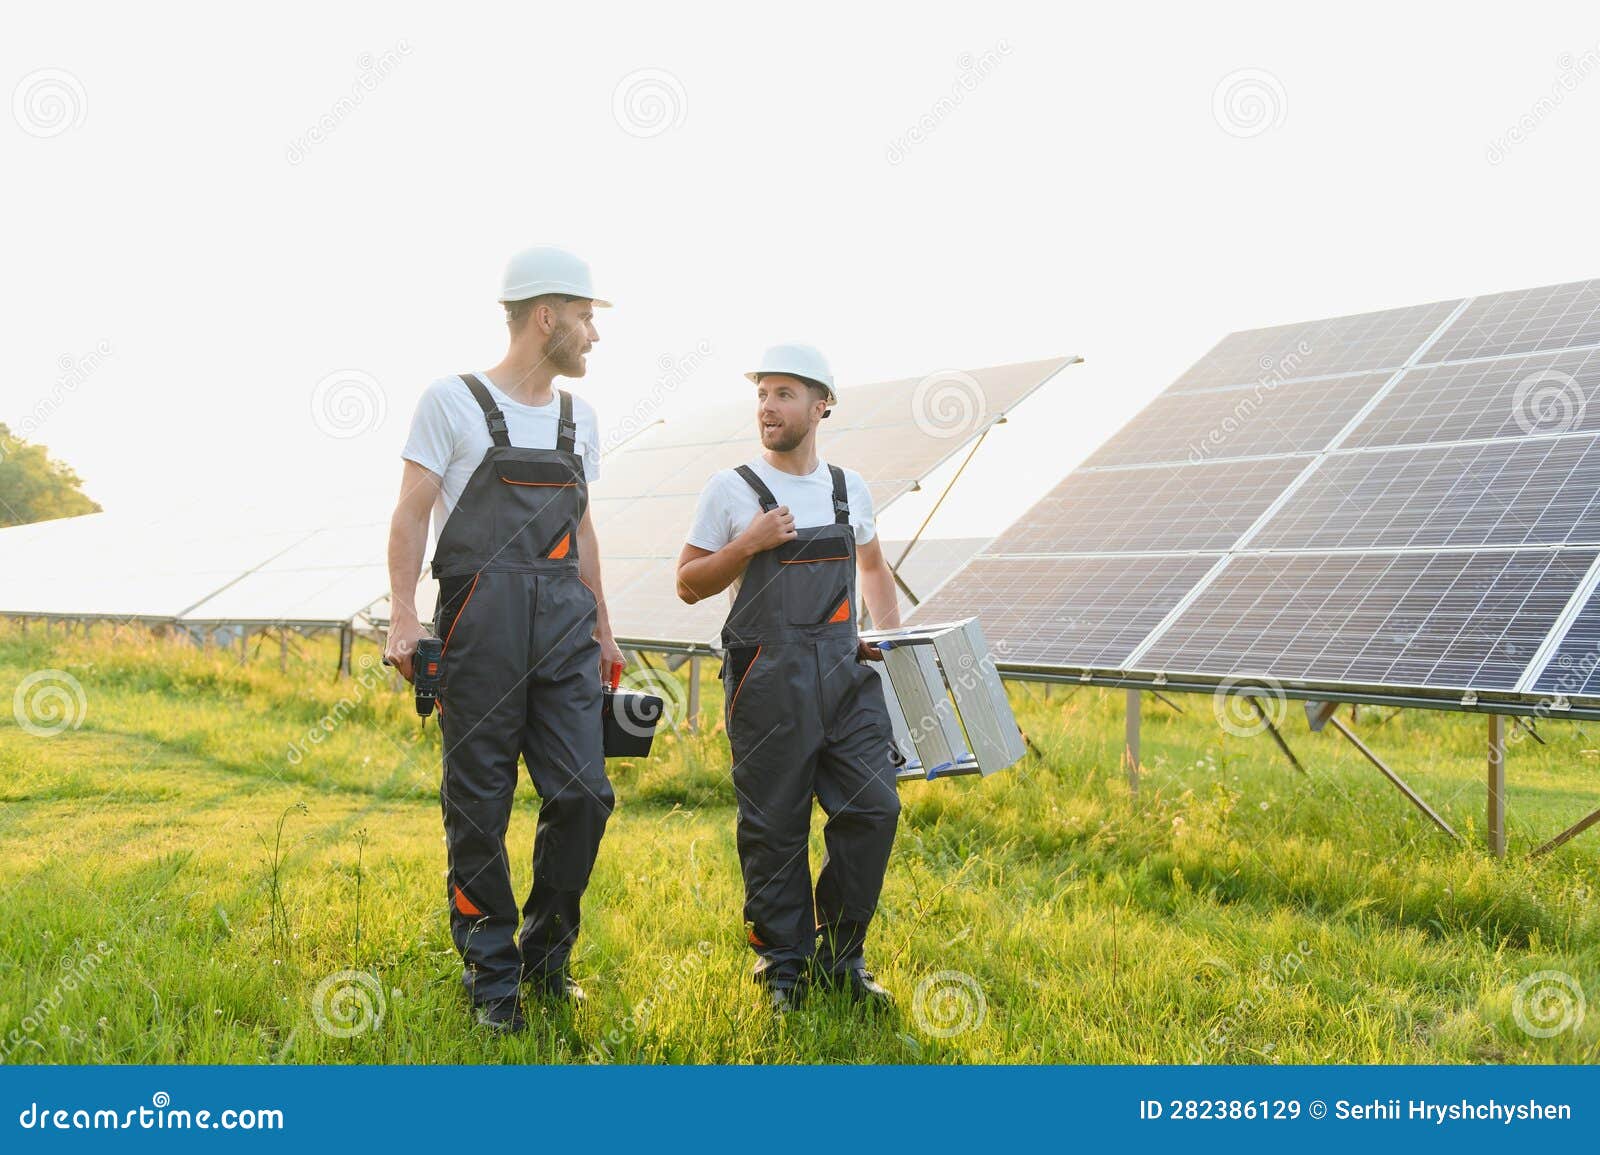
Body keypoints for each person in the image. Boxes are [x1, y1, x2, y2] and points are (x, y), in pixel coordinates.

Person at [386, 245, 625, 1034]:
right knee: (478, 811)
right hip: (478, 629)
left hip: (561, 630)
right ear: (546, 316)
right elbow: (412, 512)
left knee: (585, 794)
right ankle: (492, 977)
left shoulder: (578, 419)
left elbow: (582, 525)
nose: (594, 334)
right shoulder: (451, 402)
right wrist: (403, 615)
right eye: (586, 317)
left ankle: (546, 956)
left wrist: (604, 626)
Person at [675, 342, 903, 1012]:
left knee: (873, 807)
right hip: (766, 678)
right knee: (775, 826)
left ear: (821, 403)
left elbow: (874, 568)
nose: (767, 407)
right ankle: (783, 963)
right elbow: (687, 584)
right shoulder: (732, 488)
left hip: (844, 673)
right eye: (762, 394)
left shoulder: (847, 488)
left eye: (782, 394)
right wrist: (748, 544)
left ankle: (841, 953)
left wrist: (887, 636)